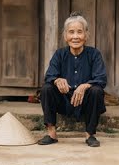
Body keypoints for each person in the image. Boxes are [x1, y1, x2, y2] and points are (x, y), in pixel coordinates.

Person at [39, 13, 107, 147]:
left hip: (85, 102)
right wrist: (57, 80)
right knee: (47, 88)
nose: (75, 36)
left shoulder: (94, 54)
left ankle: (90, 135)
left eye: (79, 32)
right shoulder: (59, 54)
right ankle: (51, 134)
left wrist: (85, 85)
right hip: (64, 101)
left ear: (86, 35)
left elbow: (101, 78)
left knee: (96, 91)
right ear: (65, 36)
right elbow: (49, 75)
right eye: (71, 32)